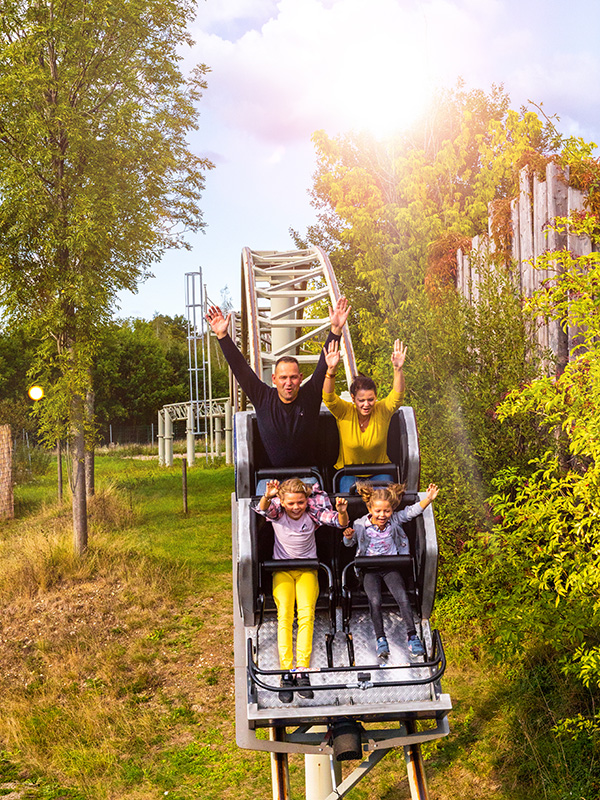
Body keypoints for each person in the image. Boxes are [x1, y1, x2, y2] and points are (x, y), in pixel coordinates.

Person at [206, 298, 350, 471]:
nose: (288, 383)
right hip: (271, 478)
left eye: (293, 377)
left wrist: (336, 329)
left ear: (300, 377)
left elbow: (323, 366)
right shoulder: (263, 397)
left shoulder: (309, 396)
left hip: (307, 477)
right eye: (283, 378)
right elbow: (240, 369)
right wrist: (222, 336)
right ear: (274, 379)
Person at [253, 478, 349, 702]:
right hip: (282, 571)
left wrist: (342, 511)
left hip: (307, 570)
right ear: (282, 502)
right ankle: (285, 671)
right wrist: (268, 495)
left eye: (300, 502)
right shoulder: (277, 513)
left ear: (307, 501)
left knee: (307, 615)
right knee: (285, 615)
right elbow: (262, 509)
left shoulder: (312, 514)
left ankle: (301, 669)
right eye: (291, 503)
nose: (296, 508)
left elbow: (339, 522)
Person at [342, 480, 439, 659]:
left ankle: (412, 636)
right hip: (369, 568)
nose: (382, 515)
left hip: (390, 566)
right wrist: (348, 537)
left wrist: (428, 500)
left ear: (392, 510)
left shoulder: (394, 520)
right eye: (378, 511)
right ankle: (381, 639)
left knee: (402, 596)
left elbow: (411, 512)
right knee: (375, 600)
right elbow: (349, 544)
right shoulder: (360, 524)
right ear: (370, 509)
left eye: (386, 511)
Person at [322, 339, 407, 491]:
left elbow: (397, 396)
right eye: (361, 400)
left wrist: (398, 369)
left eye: (370, 399)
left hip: (379, 473)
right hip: (349, 473)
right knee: (348, 500)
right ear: (353, 398)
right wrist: (331, 370)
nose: (366, 405)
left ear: (376, 397)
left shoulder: (382, 410)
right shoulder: (345, 412)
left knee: (384, 499)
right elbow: (328, 398)